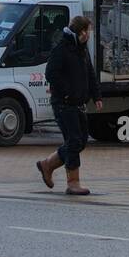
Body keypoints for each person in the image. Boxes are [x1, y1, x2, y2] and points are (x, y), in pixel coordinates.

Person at [36, 15, 102, 195]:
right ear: (81, 32)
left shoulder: (81, 49)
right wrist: (67, 92)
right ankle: (73, 182)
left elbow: (90, 72)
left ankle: (47, 164)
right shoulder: (62, 49)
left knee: (81, 141)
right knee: (73, 141)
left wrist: (96, 96)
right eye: (88, 30)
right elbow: (51, 74)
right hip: (63, 104)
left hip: (78, 103)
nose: (89, 34)